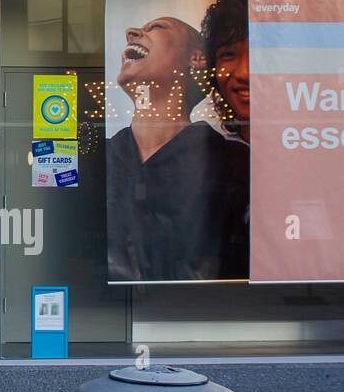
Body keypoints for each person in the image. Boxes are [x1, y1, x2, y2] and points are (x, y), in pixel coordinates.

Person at [106, 15, 249, 281]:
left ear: (196, 60)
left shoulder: (233, 163)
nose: (131, 31)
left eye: (157, 27)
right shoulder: (100, 159)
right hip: (110, 312)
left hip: (199, 312)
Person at [202, 0, 251, 143]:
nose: (244, 74)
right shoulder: (210, 152)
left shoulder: (320, 148)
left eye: (260, 55)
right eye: (228, 54)